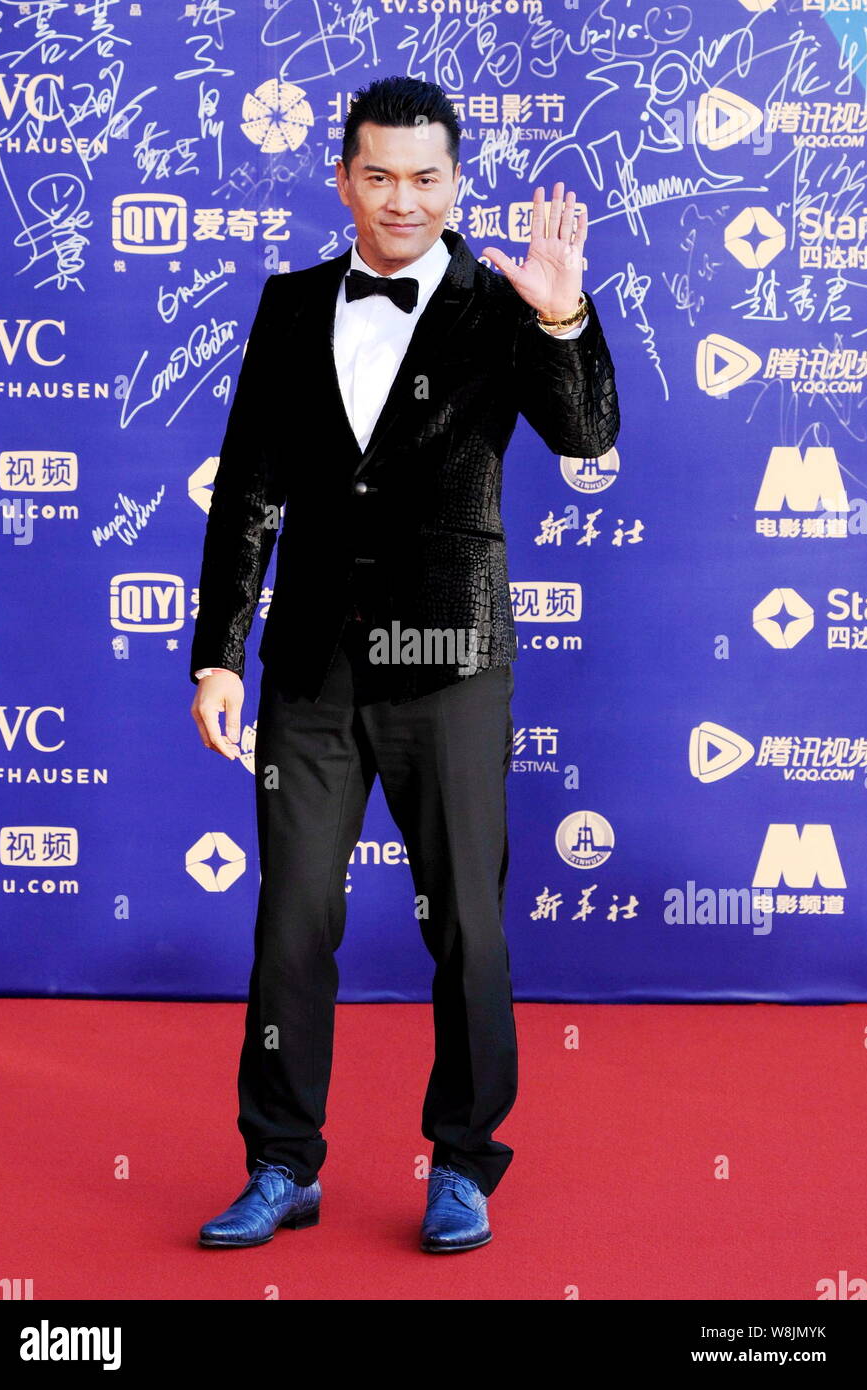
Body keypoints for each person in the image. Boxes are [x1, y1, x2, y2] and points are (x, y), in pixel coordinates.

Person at [190, 76, 620, 1253]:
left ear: (457, 183)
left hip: (450, 659)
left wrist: (564, 318)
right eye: (377, 175)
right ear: (342, 177)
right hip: (312, 667)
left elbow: (589, 436)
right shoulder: (288, 306)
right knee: (290, 924)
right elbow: (247, 493)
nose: (401, 200)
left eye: (426, 178)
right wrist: (218, 655)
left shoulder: (504, 302)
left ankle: (465, 1165)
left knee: (469, 927)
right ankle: (283, 1161)